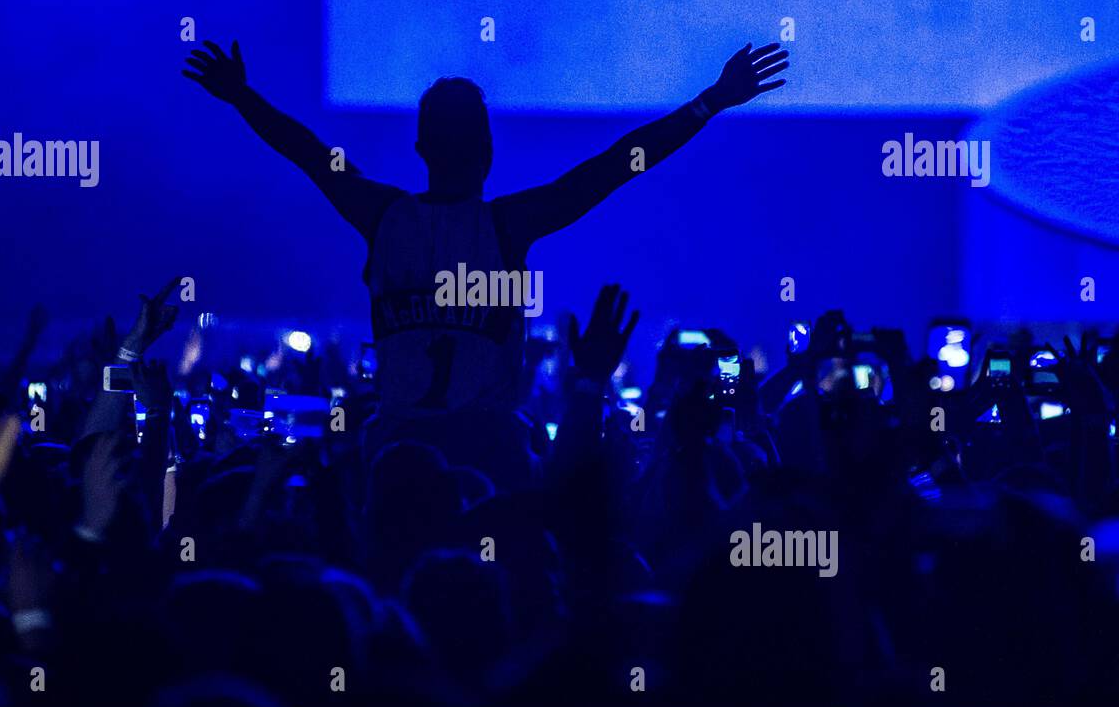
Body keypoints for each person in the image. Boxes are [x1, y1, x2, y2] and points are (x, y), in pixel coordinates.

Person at [182, 40, 789, 481]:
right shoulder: (508, 224)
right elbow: (617, 164)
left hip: (397, 453)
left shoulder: (382, 215)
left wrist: (241, 96)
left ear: (419, 147)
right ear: (489, 148)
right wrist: (710, 101)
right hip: (489, 454)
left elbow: (309, 153)